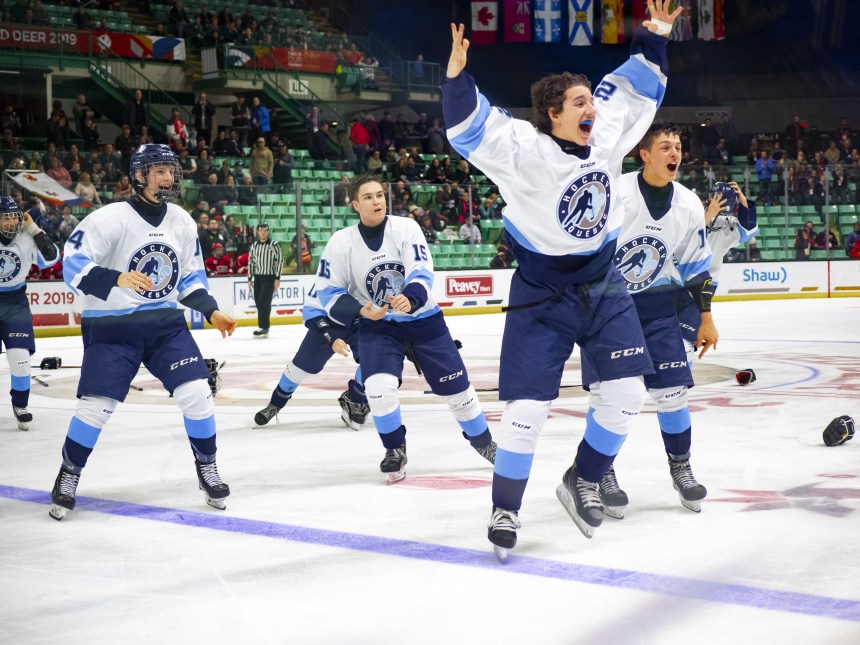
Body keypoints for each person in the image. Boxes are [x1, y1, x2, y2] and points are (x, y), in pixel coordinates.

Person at [442, 0, 683, 557]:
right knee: (526, 413)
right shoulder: (522, 150)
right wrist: (456, 78)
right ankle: (506, 508)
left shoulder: (605, 132)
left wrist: (655, 34)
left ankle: (585, 475)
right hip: (542, 291)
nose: (589, 107)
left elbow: (635, 89)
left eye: (588, 100)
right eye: (578, 102)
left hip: (603, 283)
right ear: (553, 112)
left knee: (626, 394)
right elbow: (469, 127)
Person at [48, 144, 237, 521]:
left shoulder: (182, 220)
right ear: (138, 176)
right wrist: (116, 277)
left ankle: (207, 467)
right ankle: (68, 474)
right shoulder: (110, 218)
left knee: (198, 392)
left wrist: (211, 311)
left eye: (171, 170)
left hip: (165, 326)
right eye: (159, 170)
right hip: (112, 327)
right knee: (96, 407)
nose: (168, 177)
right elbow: (73, 263)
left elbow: (189, 277)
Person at [312, 174, 497, 482]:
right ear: (355, 204)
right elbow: (327, 291)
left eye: (380, 195)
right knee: (378, 387)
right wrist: (360, 310)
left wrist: (410, 298)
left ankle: (484, 443)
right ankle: (395, 449)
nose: (377, 201)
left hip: (424, 321)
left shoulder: (406, 228)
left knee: (459, 392)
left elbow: (421, 269)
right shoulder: (340, 243)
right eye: (368, 197)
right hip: (378, 327)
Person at [611, 123, 720, 519]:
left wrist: (705, 317)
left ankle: (681, 467)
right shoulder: (617, 191)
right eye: (664, 146)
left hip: (660, 305)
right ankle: (601, 470)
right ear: (644, 154)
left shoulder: (689, 203)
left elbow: (695, 266)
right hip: (612, 309)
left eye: (677, 146)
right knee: (615, 398)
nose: (674, 153)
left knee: (673, 393)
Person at [253, 284, 371, 431]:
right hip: (331, 323)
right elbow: (312, 309)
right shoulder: (330, 270)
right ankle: (275, 404)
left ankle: (355, 399)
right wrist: (330, 337)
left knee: (377, 362)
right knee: (298, 370)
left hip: (365, 322)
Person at [0, 196, 60, 430]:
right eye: (5, 218)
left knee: (20, 359)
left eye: (14, 217)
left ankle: (20, 405)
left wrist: (34, 228)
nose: (11, 222)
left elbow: (52, 258)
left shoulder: (27, 237)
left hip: (15, 302)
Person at [247, 222, 283, 338]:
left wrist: (277, 278)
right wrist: (250, 278)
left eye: (265, 230)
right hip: (257, 277)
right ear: (258, 232)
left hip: (269, 277)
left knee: (264, 301)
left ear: (268, 231)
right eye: (261, 230)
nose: (263, 232)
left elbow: (279, 261)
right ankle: (264, 327)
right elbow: (251, 262)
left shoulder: (274, 244)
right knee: (258, 302)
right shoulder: (254, 245)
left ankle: (263, 327)